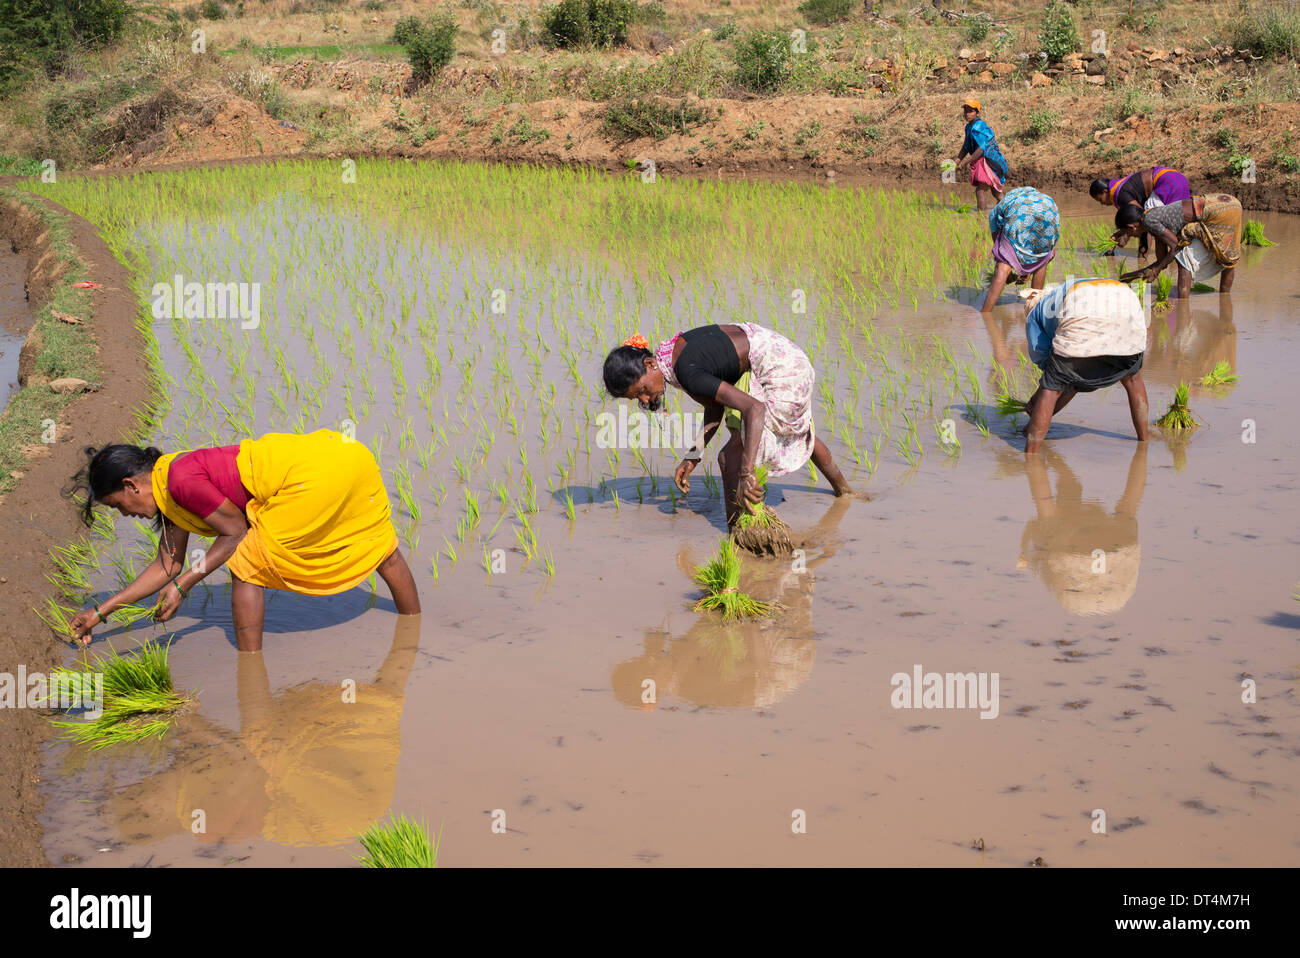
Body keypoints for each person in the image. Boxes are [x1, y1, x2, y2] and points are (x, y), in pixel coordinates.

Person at [66, 429, 421, 651]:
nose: (126, 515)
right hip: (348, 457)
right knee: (381, 546)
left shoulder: (179, 482)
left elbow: (235, 533)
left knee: (246, 564)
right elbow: (168, 564)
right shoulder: (169, 481)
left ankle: (250, 669)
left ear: (131, 485)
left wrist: (185, 584)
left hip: (310, 478)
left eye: (118, 506)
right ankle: (414, 629)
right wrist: (101, 612)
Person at [602, 325, 852, 528]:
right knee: (791, 433)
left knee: (729, 458)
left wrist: (746, 473)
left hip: (785, 369)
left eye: (643, 390)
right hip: (777, 353)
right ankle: (845, 493)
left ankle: (737, 534)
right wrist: (693, 457)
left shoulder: (686, 371)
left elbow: (754, 409)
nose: (646, 400)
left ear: (649, 364)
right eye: (638, 399)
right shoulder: (672, 354)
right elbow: (715, 404)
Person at [1020, 279, 1150, 454]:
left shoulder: (1034, 314)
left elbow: (1053, 374)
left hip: (1081, 308)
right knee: (1133, 379)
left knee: (1050, 390)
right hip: (1128, 305)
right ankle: (1144, 441)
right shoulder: (1068, 287)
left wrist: (1036, 403)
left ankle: (1031, 457)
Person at [1115, 193, 1241, 297]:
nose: (1129, 236)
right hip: (1230, 203)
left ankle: (1183, 306)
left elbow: (1176, 247)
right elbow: (1161, 262)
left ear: (1132, 226)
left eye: (1126, 233)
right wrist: (1130, 277)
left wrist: (1156, 270)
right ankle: (1225, 299)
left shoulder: (1149, 221)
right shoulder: (1152, 216)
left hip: (1214, 211)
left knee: (1183, 260)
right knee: (1228, 254)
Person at [981, 185, 1060, 312]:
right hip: (1050, 214)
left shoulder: (1005, 202)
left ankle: (986, 313)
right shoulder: (1043, 198)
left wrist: (1005, 262)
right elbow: (1045, 243)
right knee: (1041, 261)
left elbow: (999, 244)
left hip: (1020, 217)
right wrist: (1027, 270)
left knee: (1003, 266)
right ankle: (1033, 310)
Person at [1089, 166, 1192, 257]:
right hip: (1177, 177)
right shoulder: (1118, 186)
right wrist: (1123, 233)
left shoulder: (1120, 196)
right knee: (1178, 224)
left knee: (1152, 221)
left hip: (1168, 183)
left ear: (1105, 191)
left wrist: (1141, 258)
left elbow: (1142, 220)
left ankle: (1162, 258)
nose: (1102, 203)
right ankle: (1177, 256)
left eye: (1100, 199)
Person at [954, 97, 1008, 212]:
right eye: (965, 111)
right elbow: (966, 146)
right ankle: (1007, 212)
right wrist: (957, 161)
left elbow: (981, 149)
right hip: (986, 160)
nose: (967, 114)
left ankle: (981, 218)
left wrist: (965, 161)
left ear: (977, 112)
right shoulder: (969, 127)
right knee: (996, 192)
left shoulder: (979, 126)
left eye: (970, 111)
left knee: (981, 190)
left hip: (989, 160)